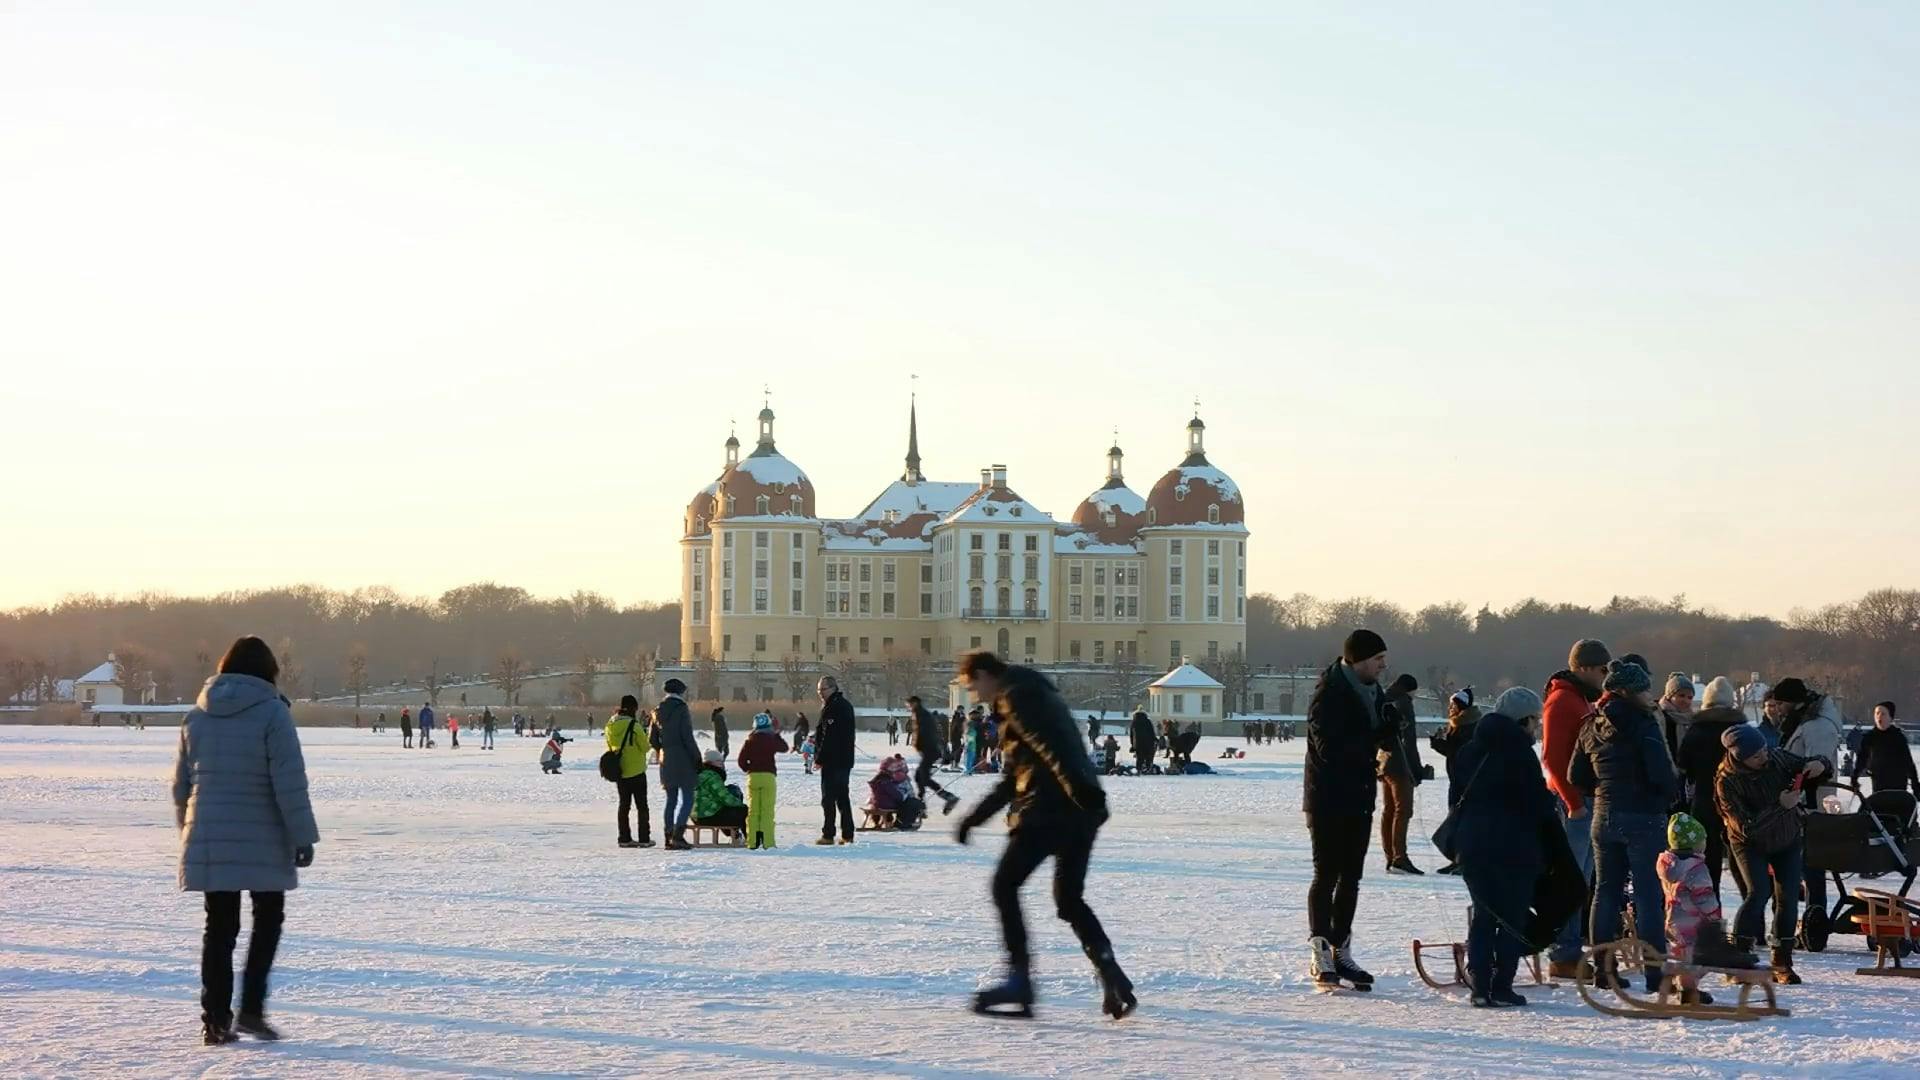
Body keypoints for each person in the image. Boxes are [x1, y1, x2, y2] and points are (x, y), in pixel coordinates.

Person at [954, 651, 1133, 1019]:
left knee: (1005, 885)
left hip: (1051, 808)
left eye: (974, 686)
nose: (975, 695)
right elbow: (1014, 774)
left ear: (988, 674)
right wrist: (975, 818)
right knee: (1068, 900)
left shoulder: (1017, 696)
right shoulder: (1035, 693)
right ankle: (1110, 972)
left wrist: (1077, 788)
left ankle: (1020, 980)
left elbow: (1051, 746)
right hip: (1079, 809)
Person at [172, 636, 318, 1045]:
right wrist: (302, 836)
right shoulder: (274, 713)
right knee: (267, 919)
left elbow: (181, 786)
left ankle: (215, 1020)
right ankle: (251, 1009)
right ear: (268, 671)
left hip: (210, 835)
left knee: (218, 928)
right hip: (264, 834)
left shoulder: (195, 717)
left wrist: (190, 831)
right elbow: (289, 783)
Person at [1447, 686, 1561, 1007]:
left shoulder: (1470, 749)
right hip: (1513, 847)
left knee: (1485, 915)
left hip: (1473, 845)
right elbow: (1537, 805)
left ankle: (1479, 985)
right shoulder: (1520, 753)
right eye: (1535, 720)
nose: (1537, 727)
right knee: (1511, 918)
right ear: (1522, 720)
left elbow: (1455, 799)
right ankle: (1503, 985)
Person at [1569, 660, 1678, 992]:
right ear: (1628, 691)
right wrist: (1669, 797)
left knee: (1605, 890)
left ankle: (1604, 969)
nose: (1650, 695)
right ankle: (1655, 974)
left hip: (1604, 814)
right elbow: (1662, 773)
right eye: (1645, 688)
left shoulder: (1590, 723)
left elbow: (1576, 776)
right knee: (1648, 894)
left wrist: (1601, 790)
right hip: (1644, 816)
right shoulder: (1644, 724)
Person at [1302, 629, 1396, 991]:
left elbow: (1374, 738)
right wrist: (1373, 738)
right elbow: (1329, 749)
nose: (1382, 666)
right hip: (1327, 798)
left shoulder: (1374, 694)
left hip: (1359, 795)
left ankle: (1341, 949)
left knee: (1351, 876)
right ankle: (1320, 951)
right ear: (1357, 661)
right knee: (1326, 873)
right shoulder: (1328, 695)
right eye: (1377, 660)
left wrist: (1388, 733)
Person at [1715, 723, 1828, 984]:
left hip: (1787, 839)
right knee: (1759, 892)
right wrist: (1779, 805)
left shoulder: (1776, 757)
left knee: (1787, 896)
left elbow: (1805, 764)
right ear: (1739, 758)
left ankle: (1782, 960)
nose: (1764, 757)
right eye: (1756, 756)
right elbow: (1745, 827)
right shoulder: (1726, 781)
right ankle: (1739, 959)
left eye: (1764, 750)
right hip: (1748, 843)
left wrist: (1819, 765)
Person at [1541, 638, 1611, 979]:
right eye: (1601, 670)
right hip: (1573, 803)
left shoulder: (1581, 700)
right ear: (1583, 667)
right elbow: (1552, 758)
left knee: (1582, 880)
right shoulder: (1562, 701)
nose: (1604, 676)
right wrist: (1572, 803)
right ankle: (1562, 953)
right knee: (1571, 880)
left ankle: (1569, 947)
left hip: (1587, 799)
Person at [1765, 677, 1845, 933]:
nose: (1776, 709)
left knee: (1811, 866)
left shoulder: (1817, 727)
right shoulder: (1800, 722)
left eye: (1779, 703)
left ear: (1792, 703)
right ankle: (1808, 919)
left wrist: (1792, 782)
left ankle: (1815, 921)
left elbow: (1818, 768)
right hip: (1797, 805)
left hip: (1810, 807)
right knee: (1805, 866)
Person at [1657, 812, 1754, 1005]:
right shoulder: (1696, 870)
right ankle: (1689, 990)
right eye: (1702, 841)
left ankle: (1681, 984)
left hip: (1674, 920)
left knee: (1681, 954)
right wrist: (1713, 915)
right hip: (1694, 923)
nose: (1705, 845)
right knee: (1700, 958)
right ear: (1693, 844)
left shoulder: (1668, 866)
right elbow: (1704, 897)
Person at [1676, 677, 1749, 901]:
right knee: (1742, 857)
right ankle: (1749, 906)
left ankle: (1710, 907)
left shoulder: (1696, 730)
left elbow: (1683, 764)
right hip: (1738, 802)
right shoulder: (1741, 731)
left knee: (1707, 858)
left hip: (1704, 799)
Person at [1427, 688, 1480, 874]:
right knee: (1456, 821)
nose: (1450, 707)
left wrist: (1439, 744)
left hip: (1467, 781)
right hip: (1457, 778)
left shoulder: (1469, 725)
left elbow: (1458, 752)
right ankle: (1457, 859)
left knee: (1463, 822)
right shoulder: (1458, 723)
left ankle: (1464, 860)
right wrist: (1439, 743)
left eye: (1453, 704)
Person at [1378, 673, 1424, 875]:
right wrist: (1417, 769)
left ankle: (1390, 856)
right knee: (1403, 810)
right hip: (1400, 765)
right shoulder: (1404, 703)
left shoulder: (1383, 699)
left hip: (1384, 762)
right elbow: (1409, 741)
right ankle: (1400, 858)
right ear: (1410, 690)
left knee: (1389, 810)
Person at [656, 679, 701, 851]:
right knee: (688, 798)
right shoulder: (681, 709)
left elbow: (653, 739)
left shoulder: (657, 711)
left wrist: (663, 750)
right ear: (681, 692)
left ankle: (668, 836)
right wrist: (696, 758)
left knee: (671, 800)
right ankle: (678, 835)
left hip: (665, 759)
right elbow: (687, 737)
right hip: (683, 759)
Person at [814, 676, 857, 845]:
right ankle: (848, 833)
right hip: (844, 759)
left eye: (823, 690)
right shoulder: (843, 705)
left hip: (834, 760)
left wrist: (820, 757)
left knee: (829, 798)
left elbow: (829, 736)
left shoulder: (834, 707)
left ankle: (828, 834)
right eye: (818, 690)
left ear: (832, 688)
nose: (820, 693)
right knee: (842, 797)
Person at [607, 695, 654, 849]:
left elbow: (609, 745)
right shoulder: (634, 725)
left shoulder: (610, 725)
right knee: (642, 806)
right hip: (637, 770)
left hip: (620, 770)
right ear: (633, 708)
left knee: (623, 805)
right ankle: (644, 838)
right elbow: (646, 747)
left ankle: (624, 838)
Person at [737, 712, 788, 849]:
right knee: (767, 811)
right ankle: (768, 842)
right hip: (768, 777)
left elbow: (741, 761)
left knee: (753, 811)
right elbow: (784, 748)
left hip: (753, 777)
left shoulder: (750, 740)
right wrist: (776, 734)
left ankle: (752, 842)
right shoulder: (771, 739)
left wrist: (749, 768)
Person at [1852, 701, 1919, 795]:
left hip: (1898, 783)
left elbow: (1908, 762)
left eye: (1883, 714)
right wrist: (1854, 778)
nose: (1879, 716)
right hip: (1878, 782)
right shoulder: (1870, 737)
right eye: (1877, 713)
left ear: (1890, 717)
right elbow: (1862, 758)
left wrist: (1915, 786)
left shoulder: (1898, 737)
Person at [908, 695, 960, 815]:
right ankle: (922, 806)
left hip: (929, 750)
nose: (908, 708)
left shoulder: (922, 715)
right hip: (929, 750)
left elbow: (928, 734)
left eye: (909, 705)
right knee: (920, 777)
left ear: (915, 703)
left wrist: (941, 751)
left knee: (922, 777)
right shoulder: (921, 714)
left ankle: (947, 798)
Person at [693, 749, 748, 829]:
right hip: (709, 816)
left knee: (727, 808)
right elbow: (725, 798)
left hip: (696, 817)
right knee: (744, 812)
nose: (722, 763)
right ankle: (749, 839)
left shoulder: (699, 774)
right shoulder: (712, 776)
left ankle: (736, 835)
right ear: (710, 762)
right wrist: (741, 805)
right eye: (719, 761)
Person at [1658, 674, 1695, 777]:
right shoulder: (1660, 717)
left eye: (1690, 697)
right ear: (1669, 696)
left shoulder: (1693, 721)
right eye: (1681, 695)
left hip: (1685, 775)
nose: (1686, 701)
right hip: (1665, 773)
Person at [1128, 710, 1156, 774]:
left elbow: (1131, 735)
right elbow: (1152, 732)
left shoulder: (1134, 722)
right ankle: (1147, 768)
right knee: (1148, 756)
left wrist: (1132, 744)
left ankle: (1139, 769)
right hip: (1148, 743)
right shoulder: (1148, 721)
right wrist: (1154, 740)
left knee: (1139, 757)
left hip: (1137, 743)